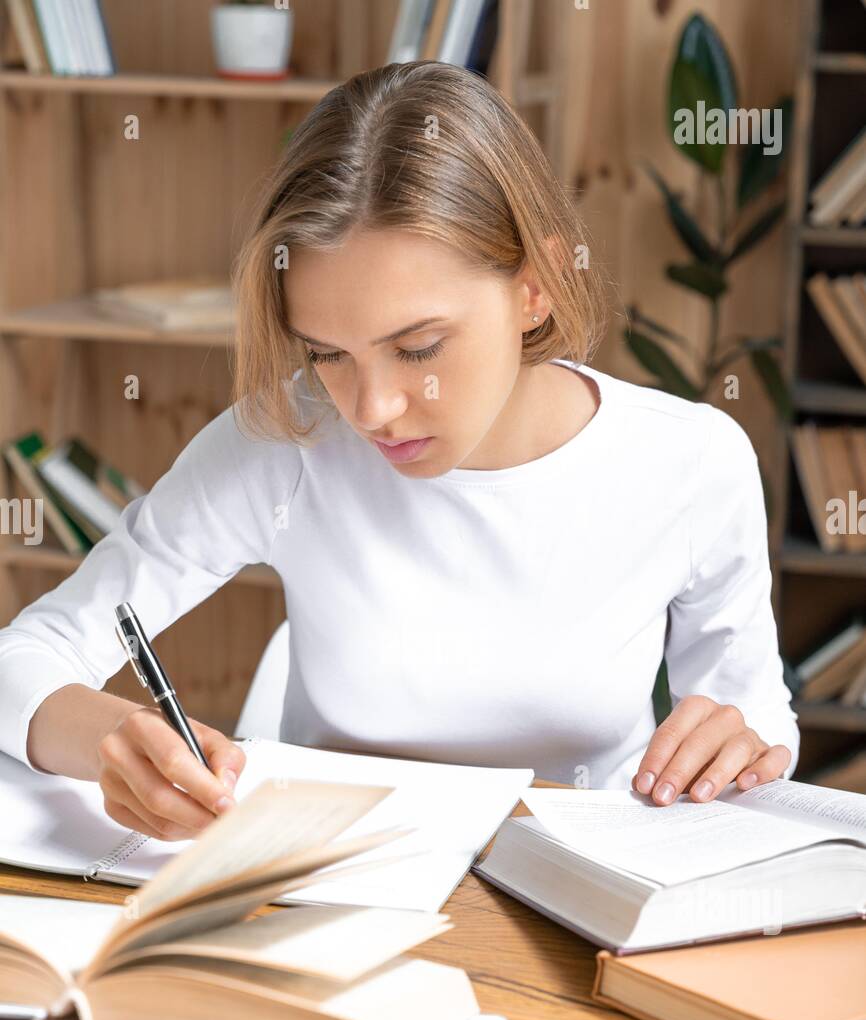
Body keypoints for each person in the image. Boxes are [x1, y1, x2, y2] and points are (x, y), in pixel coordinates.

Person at [0, 61, 798, 843]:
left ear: (537, 285)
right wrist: (118, 739)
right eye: (327, 353)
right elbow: (26, 658)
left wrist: (743, 744)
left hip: (585, 905)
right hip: (324, 893)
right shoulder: (286, 442)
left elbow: (755, 719)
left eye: (417, 348)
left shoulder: (690, 464)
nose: (372, 410)